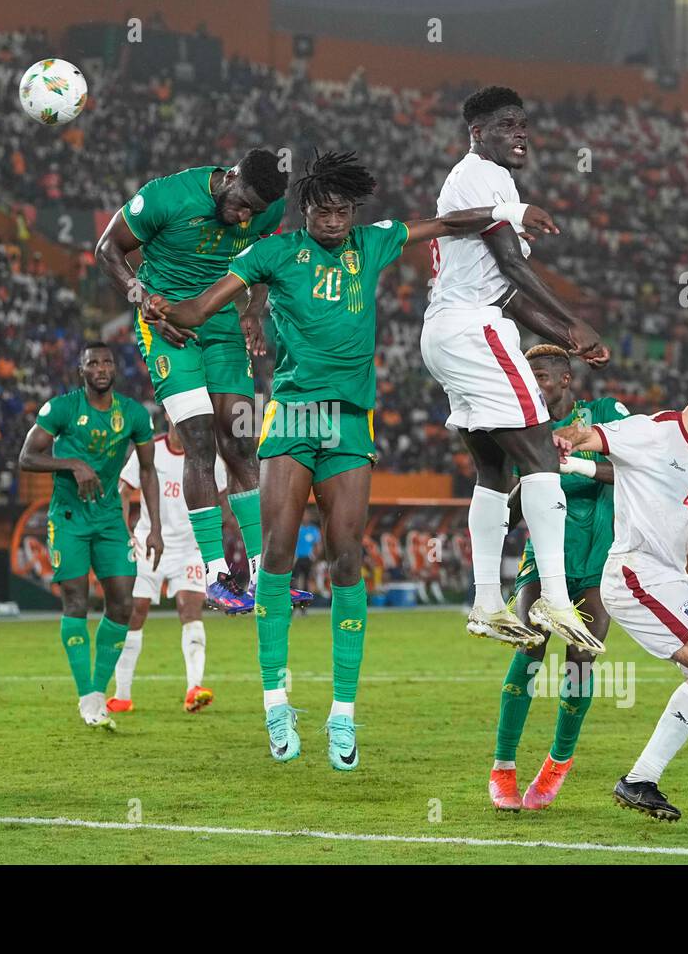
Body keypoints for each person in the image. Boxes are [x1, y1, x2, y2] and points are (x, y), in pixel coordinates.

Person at [154, 149, 537, 770]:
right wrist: (160, 308)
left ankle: (342, 714)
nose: (332, 221)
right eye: (322, 211)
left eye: (341, 212)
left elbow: (443, 224)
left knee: (348, 555)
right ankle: (276, 701)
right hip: (295, 415)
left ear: (352, 211)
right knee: (276, 551)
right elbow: (202, 307)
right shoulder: (273, 253)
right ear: (304, 209)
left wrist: (509, 209)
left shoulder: (373, 241)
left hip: (350, 420)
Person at [419, 85, 609, 652]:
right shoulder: (478, 175)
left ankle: (483, 602)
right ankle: (554, 596)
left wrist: (569, 338)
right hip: (472, 328)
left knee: (494, 470)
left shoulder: (496, 181)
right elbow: (509, 267)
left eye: (524, 124)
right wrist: (574, 317)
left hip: (455, 329)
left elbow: (511, 294)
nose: (521, 133)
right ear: (478, 131)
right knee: (541, 451)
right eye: (508, 124)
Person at [554, 362, 688, 834]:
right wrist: (566, 437)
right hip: (634, 571)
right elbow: (585, 435)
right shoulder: (649, 432)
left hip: (675, 575)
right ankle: (639, 778)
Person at [96, 148, 295, 614]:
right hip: (167, 324)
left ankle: (267, 575)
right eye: (241, 202)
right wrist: (141, 298)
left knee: (242, 443)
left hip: (223, 323)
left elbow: (264, 255)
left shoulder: (268, 207)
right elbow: (108, 249)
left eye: (253, 211)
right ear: (229, 176)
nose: (244, 215)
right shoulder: (167, 196)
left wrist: (254, 308)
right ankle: (216, 576)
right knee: (200, 438)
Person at [489, 345, 628, 812]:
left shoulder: (606, 414)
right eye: (530, 378)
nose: (535, 385)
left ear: (565, 380)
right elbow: (513, 498)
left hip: (597, 560)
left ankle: (557, 764)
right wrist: (518, 488)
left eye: (543, 377)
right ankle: (503, 766)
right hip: (543, 557)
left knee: (580, 657)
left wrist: (578, 463)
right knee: (529, 643)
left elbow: (633, 471)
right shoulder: (524, 429)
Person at [18, 343, 162, 731]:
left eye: (107, 362)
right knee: (76, 601)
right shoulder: (61, 409)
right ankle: (86, 696)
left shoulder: (133, 414)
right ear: (81, 371)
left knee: (122, 604)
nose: (101, 368)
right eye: (92, 363)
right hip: (68, 518)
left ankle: (99, 692)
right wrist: (72, 464)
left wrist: (155, 528)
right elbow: (26, 457)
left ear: (115, 369)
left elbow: (148, 471)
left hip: (111, 519)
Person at [111, 419, 229, 714]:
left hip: (189, 548)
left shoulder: (206, 455)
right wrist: (124, 530)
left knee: (190, 609)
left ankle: (194, 688)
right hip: (148, 543)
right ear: (168, 416)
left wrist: (212, 533)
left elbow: (225, 495)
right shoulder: (149, 451)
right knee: (135, 611)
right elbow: (123, 490)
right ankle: (122, 695)